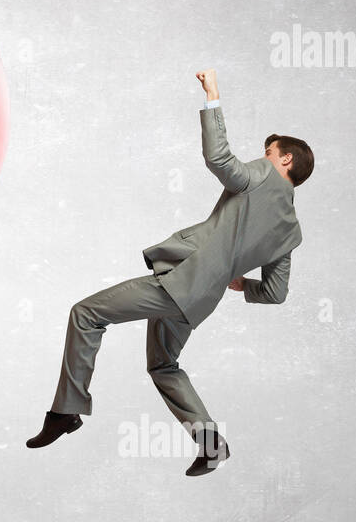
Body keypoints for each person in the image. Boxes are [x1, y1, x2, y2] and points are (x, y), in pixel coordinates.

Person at [26, 69, 313, 475]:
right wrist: (240, 282)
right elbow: (275, 293)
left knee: (86, 314)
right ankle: (211, 445)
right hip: (200, 300)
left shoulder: (264, 176)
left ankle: (66, 411)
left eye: (269, 152)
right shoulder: (291, 231)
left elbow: (220, 160)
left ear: (284, 159)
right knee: (163, 367)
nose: (262, 157)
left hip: (179, 284)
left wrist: (213, 95)